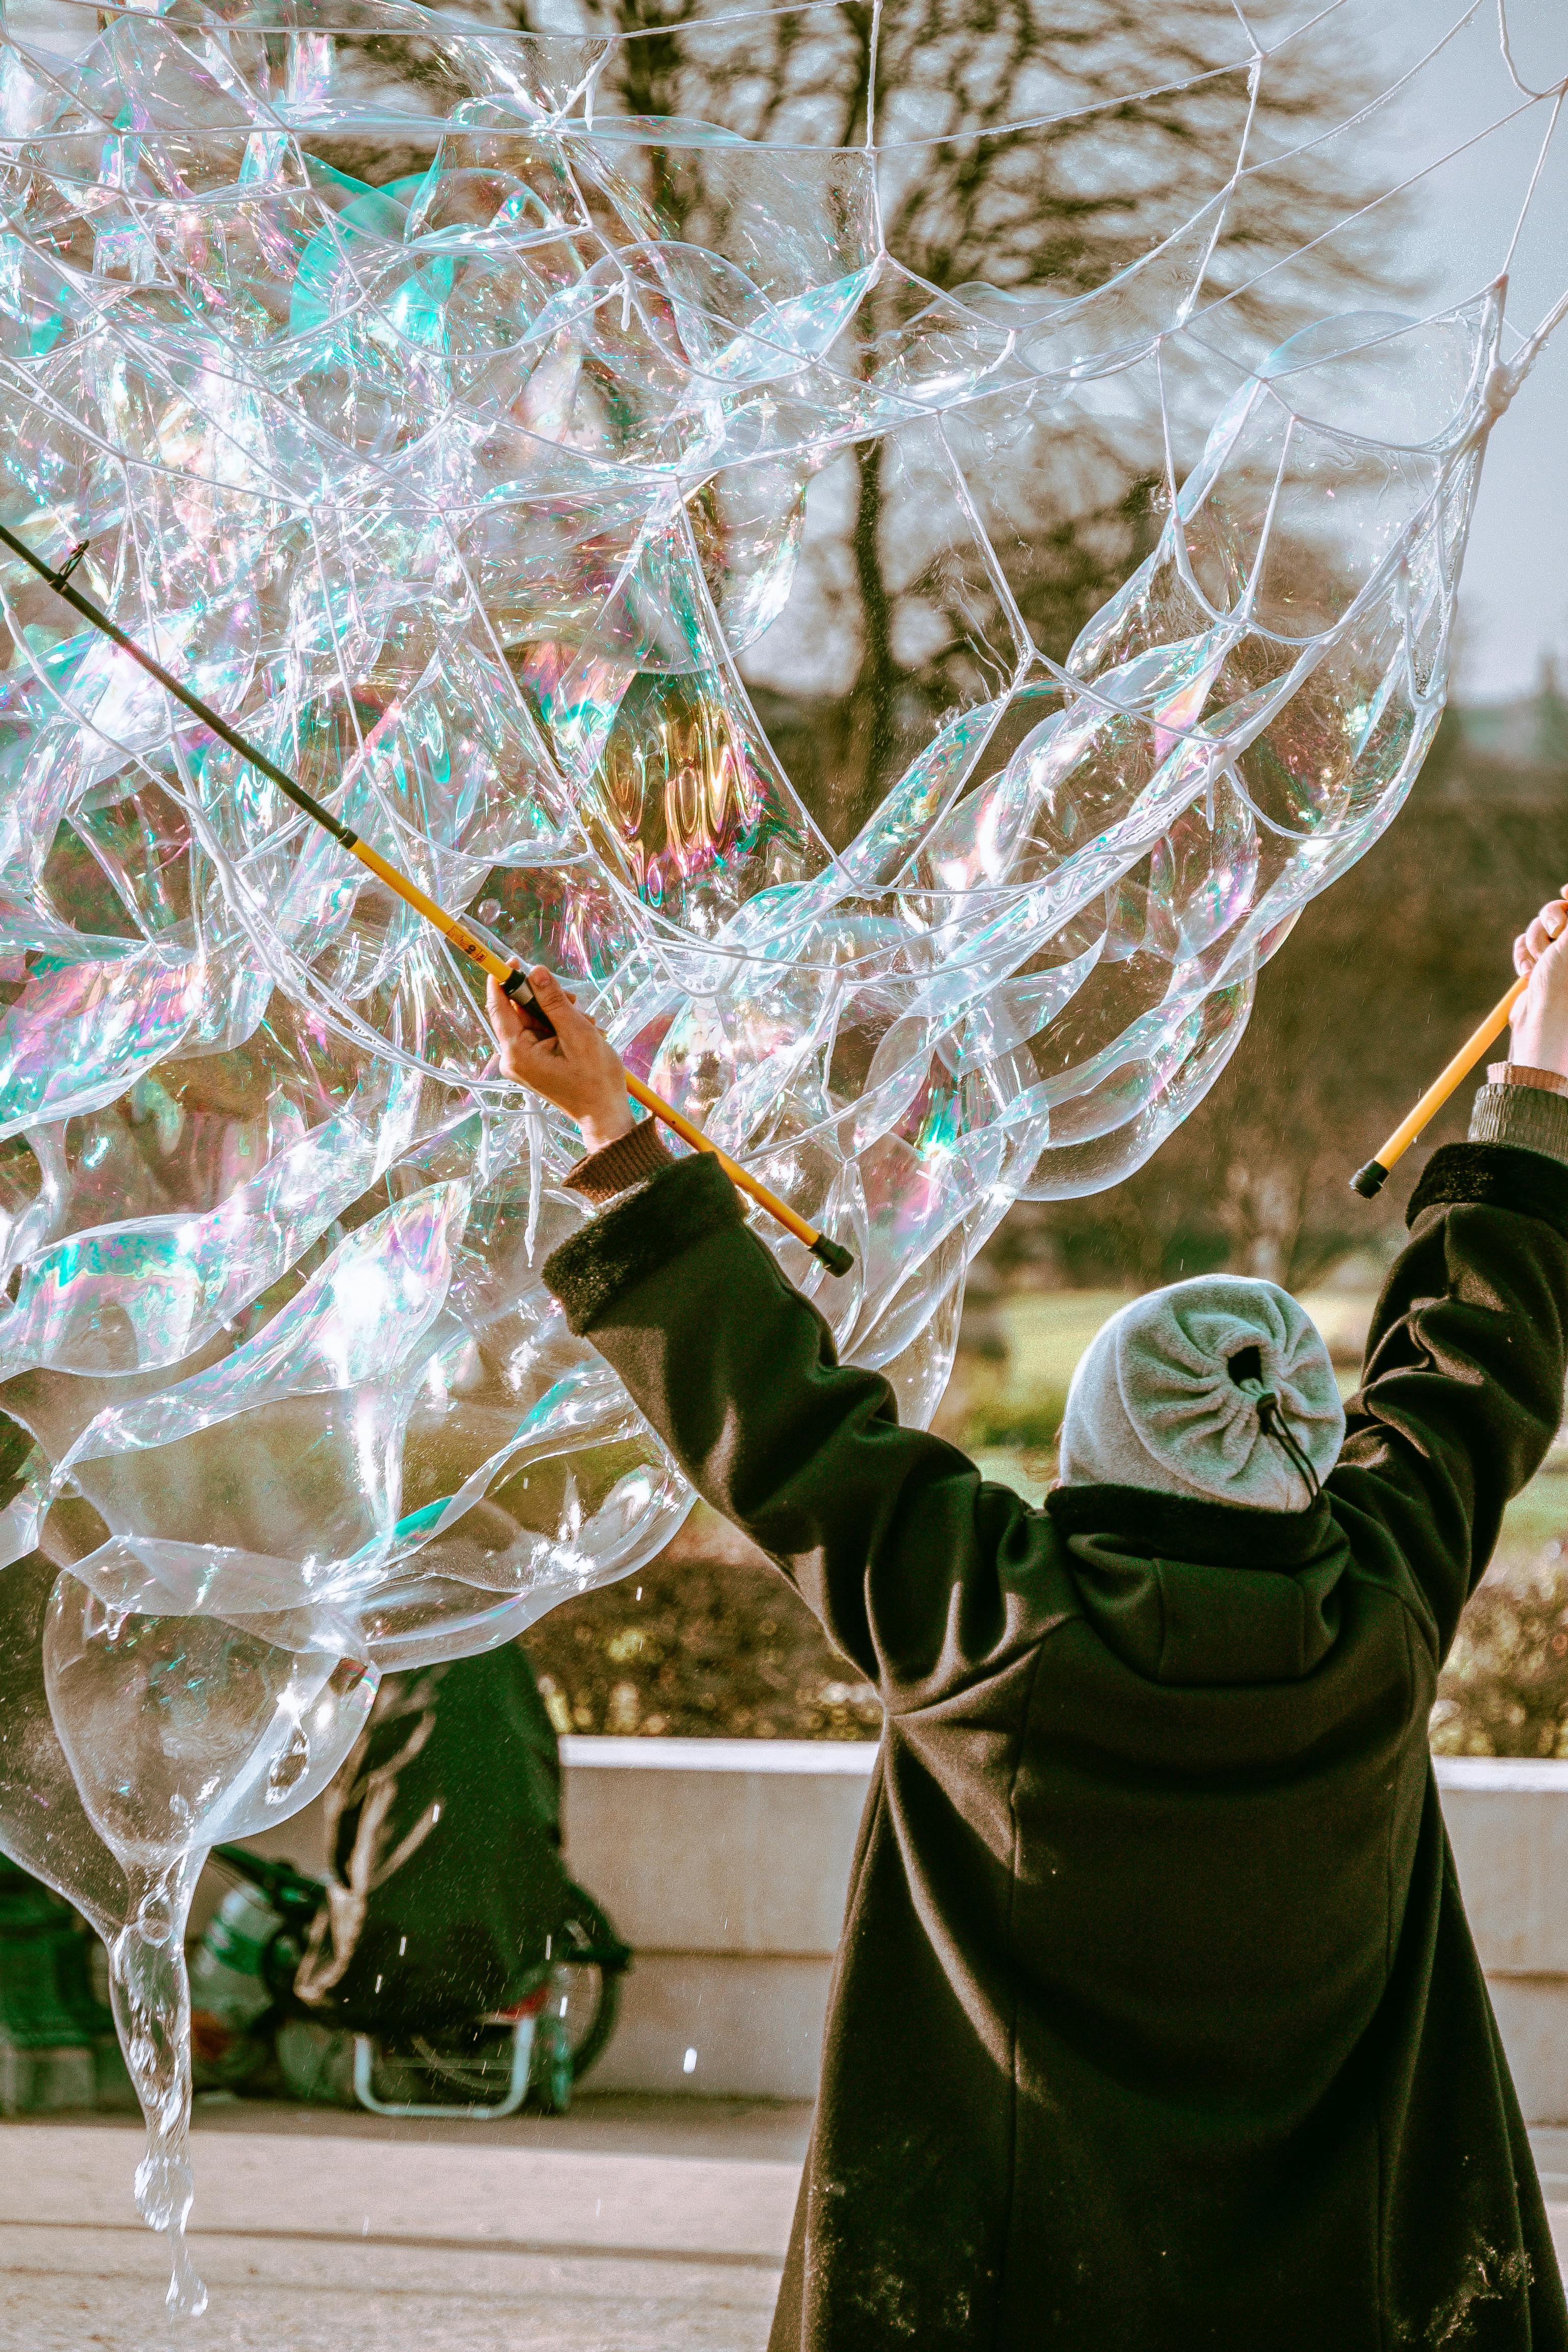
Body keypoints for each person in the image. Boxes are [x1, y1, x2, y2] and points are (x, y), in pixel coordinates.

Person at [484, 894, 1568, 2352]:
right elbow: (1477, 1358)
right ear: (1305, 1454)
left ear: (1097, 1444)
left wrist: (615, 1132)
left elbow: (780, 1417)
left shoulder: (985, 1614)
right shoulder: (1379, 1610)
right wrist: (1542, 1064)